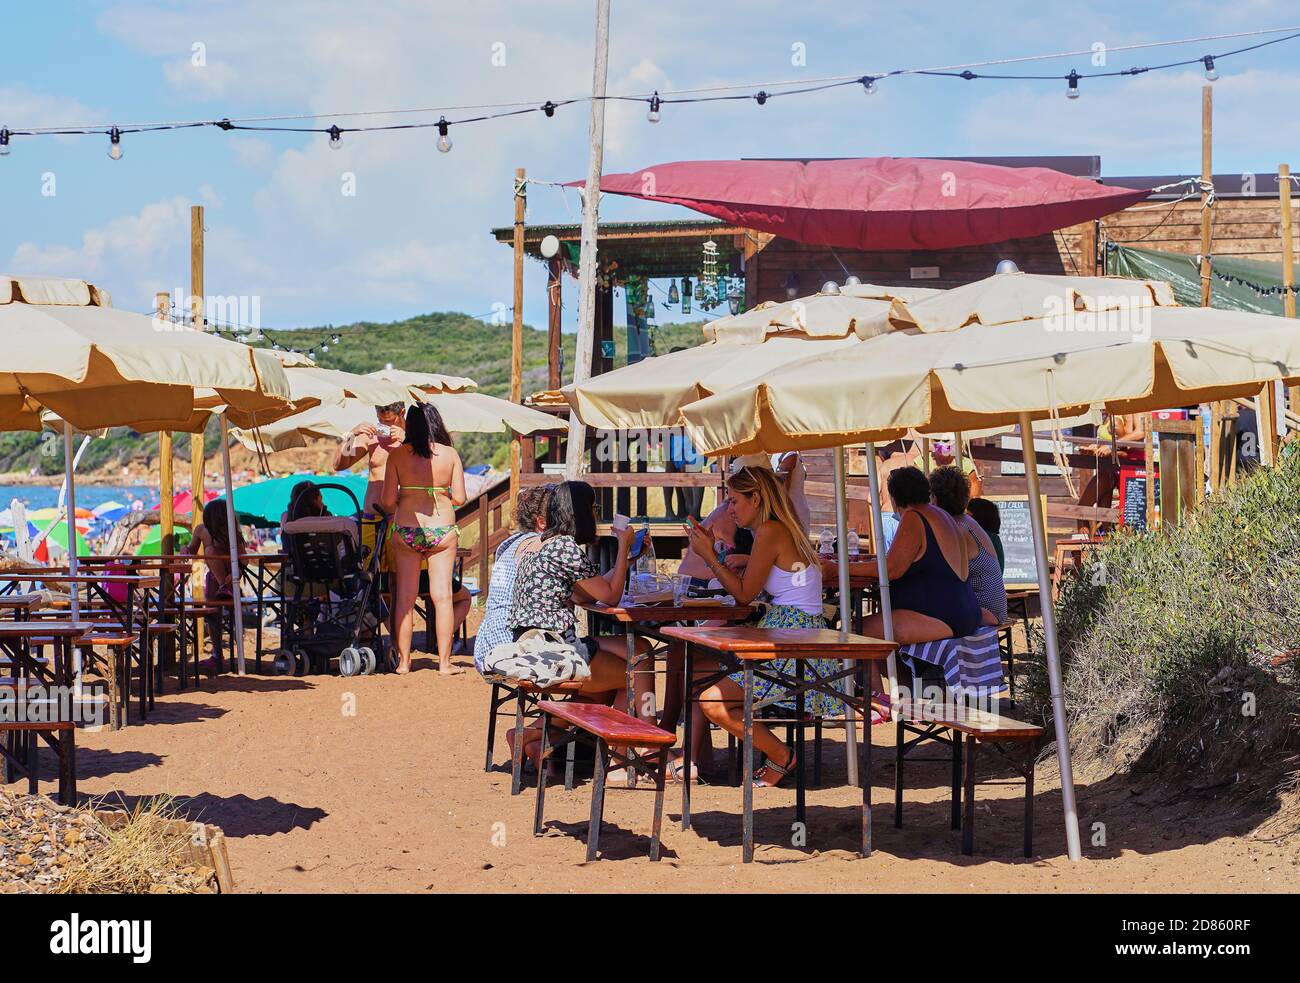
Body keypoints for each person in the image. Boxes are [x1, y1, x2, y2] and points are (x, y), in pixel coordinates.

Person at [681, 465, 837, 787]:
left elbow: (743, 594)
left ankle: (780, 755)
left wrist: (709, 555)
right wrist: (730, 560)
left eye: (735, 501)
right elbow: (763, 578)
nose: (730, 510)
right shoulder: (778, 528)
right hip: (795, 632)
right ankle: (696, 758)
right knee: (700, 673)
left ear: (756, 498)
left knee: (711, 699)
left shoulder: (769, 531)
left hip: (793, 641)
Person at [504, 481, 652, 768]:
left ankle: (536, 734)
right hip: (555, 647)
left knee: (641, 649)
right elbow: (610, 595)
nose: (596, 515)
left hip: (534, 642)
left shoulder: (547, 544)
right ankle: (637, 753)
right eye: (593, 509)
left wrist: (628, 559)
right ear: (582, 512)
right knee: (632, 675)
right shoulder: (566, 548)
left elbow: (587, 592)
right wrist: (622, 546)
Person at [861, 466, 980, 715]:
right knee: (884, 632)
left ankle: (876, 704)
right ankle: (902, 697)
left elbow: (891, 569)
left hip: (944, 617)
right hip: (963, 611)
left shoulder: (915, 518)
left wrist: (840, 569)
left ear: (894, 498)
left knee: (859, 631)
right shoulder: (942, 515)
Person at [380, 403, 466, 675]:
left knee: (404, 597)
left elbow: (387, 501)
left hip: (407, 529)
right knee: (442, 598)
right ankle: (444, 664)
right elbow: (461, 498)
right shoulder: (450, 454)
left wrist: (409, 495)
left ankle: (405, 663)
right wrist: (440, 493)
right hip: (442, 530)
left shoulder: (396, 456)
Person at [473, 484, 551, 674]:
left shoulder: (511, 543)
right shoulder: (540, 546)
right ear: (542, 522)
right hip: (512, 647)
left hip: (487, 643)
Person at [931, 467, 1006, 626]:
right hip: (993, 608)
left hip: (984, 612)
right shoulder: (967, 521)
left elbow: (943, 574)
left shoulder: (955, 528)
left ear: (935, 500)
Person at [186, 498, 246, 672]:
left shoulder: (232, 534)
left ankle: (224, 655)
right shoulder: (203, 531)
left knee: (221, 616)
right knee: (213, 616)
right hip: (218, 581)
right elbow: (191, 548)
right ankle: (217, 654)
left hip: (230, 579)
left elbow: (243, 560)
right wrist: (185, 550)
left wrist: (232, 577)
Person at [1074, 412, 1143, 533]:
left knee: (1082, 509)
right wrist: (1095, 448)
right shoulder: (1108, 415)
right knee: (1104, 518)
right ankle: (1105, 547)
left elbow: (1125, 449)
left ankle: (1082, 550)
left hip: (1111, 471)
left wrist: (1109, 448)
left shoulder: (1117, 421)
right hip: (1106, 470)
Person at [336, 401, 407, 511]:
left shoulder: (414, 437)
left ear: (402, 413)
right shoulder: (371, 438)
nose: (384, 425)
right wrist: (351, 436)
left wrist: (407, 440)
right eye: (380, 420)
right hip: (372, 517)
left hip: (404, 517)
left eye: (389, 421)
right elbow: (339, 465)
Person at [774, 450, 811, 532]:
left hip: (793, 510)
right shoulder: (790, 456)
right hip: (793, 511)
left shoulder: (777, 455)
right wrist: (794, 518)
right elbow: (783, 492)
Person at [966, 497, 1005, 572]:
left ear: (978, 517)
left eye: (968, 515)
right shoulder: (994, 538)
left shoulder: (978, 538)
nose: (965, 518)